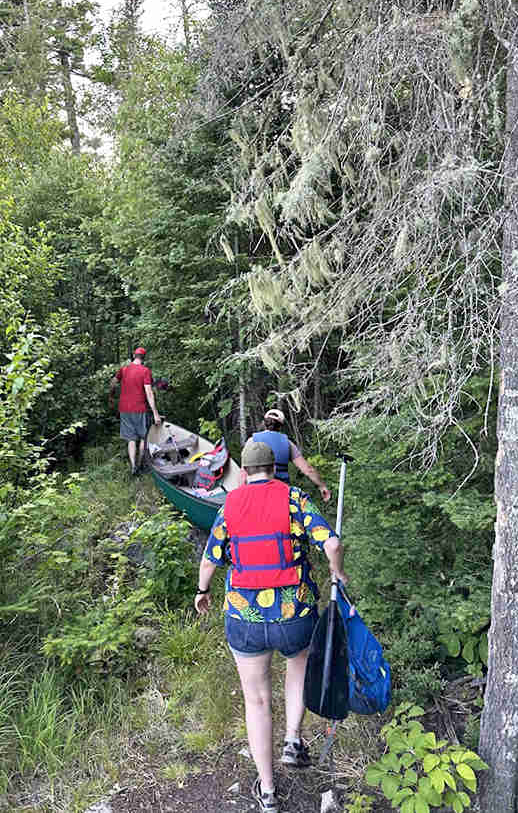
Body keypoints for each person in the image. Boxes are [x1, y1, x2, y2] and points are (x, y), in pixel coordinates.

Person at [194, 439, 347, 813]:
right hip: (294, 615)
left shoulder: (230, 505)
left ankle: (267, 791)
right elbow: (332, 543)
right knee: (297, 667)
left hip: (245, 618)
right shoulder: (294, 499)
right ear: (277, 469)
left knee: (257, 700)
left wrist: (202, 592)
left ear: (243, 472)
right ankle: (293, 740)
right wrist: (337, 573)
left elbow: (210, 559)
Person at [242, 409, 331, 502]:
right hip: (281, 494)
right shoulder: (288, 443)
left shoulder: (252, 441)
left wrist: (241, 494)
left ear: (264, 423)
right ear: (280, 426)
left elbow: (243, 473)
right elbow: (308, 469)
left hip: (256, 493)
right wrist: (322, 486)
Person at [110, 347, 161, 475]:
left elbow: (113, 383)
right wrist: (155, 413)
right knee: (143, 437)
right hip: (139, 409)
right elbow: (149, 392)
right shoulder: (145, 371)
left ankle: (133, 467)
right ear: (144, 358)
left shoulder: (124, 369)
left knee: (131, 439)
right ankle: (140, 465)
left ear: (134, 355)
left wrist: (111, 396)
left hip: (124, 409)